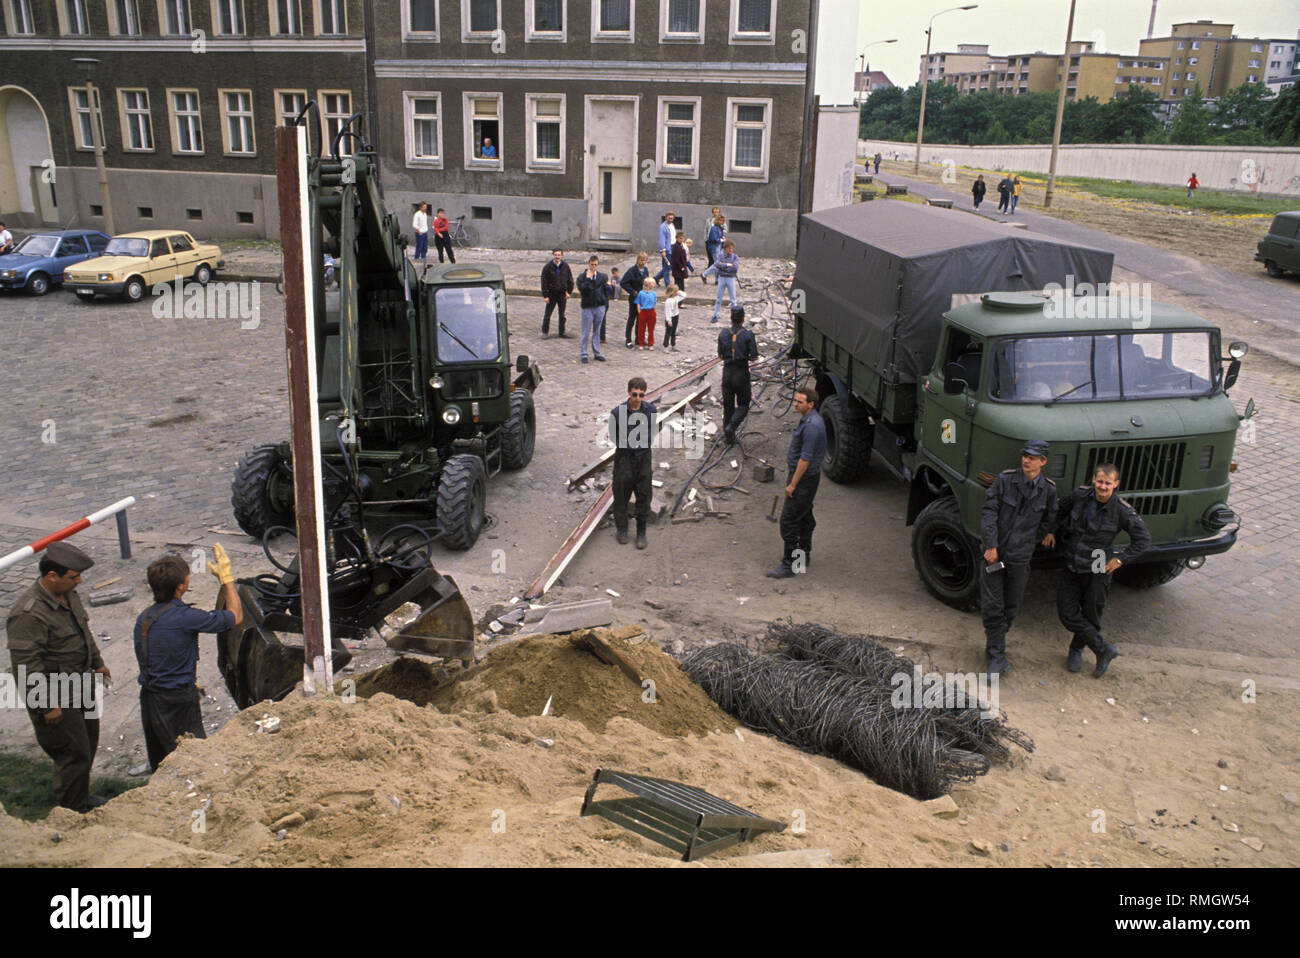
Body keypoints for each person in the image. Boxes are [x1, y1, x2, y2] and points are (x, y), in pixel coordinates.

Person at [5, 542, 111, 813]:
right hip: (56, 694)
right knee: (72, 753)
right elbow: (26, 666)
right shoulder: (28, 614)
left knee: (87, 744)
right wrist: (45, 706)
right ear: (52, 576)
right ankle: (71, 810)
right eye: (73, 576)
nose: (79, 581)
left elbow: (82, 632)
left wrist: (98, 663)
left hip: (80, 684)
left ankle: (81, 796)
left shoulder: (68, 594)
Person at [133, 547, 243, 772]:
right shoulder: (186, 618)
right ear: (181, 587)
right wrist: (227, 580)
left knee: (162, 761)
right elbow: (235, 617)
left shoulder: (143, 618)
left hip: (150, 698)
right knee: (194, 761)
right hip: (177, 700)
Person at [1055, 464, 1151, 678]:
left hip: (1099, 563)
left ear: (1115, 484)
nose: (1103, 487)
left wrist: (1120, 559)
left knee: (1091, 615)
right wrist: (1050, 531)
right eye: (1100, 481)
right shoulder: (1080, 496)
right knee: (1067, 613)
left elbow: (1143, 539)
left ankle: (1076, 650)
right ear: (1094, 480)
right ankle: (1103, 649)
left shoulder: (1122, 510)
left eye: (1108, 483)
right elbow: (1058, 511)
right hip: (1073, 560)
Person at [979, 440, 1058, 675]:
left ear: (1042, 462)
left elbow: (1051, 516)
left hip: (1021, 557)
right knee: (993, 607)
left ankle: (997, 649)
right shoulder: (1005, 480)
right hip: (995, 554)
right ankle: (995, 656)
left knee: (1011, 607)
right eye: (1025, 455)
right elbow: (988, 511)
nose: (1026, 460)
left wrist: (1049, 533)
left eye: (1032, 457)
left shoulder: (1049, 490)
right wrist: (991, 545)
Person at [767, 387, 826, 579]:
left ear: (810, 404)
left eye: (800, 402)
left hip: (803, 479)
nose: (795, 404)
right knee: (805, 519)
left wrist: (792, 485)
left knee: (789, 521)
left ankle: (790, 565)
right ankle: (802, 558)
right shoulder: (812, 421)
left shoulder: (811, 427)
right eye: (796, 401)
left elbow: (804, 460)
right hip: (807, 479)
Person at [609, 377, 657, 550]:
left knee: (644, 495)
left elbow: (652, 433)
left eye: (641, 395)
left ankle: (641, 532)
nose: (637, 398)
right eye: (635, 394)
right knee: (621, 495)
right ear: (629, 392)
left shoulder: (650, 410)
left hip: (643, 458)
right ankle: (622, 530)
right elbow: (613, 437)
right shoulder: (617, 413)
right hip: (624, 458)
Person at [718, 304, 758, 443]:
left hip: (727, 373)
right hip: (741, 373)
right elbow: (754, 356)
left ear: (731, 318)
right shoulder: (748, 334)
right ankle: (731, 427)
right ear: (743, 318)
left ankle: (728, 437)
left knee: (728, 406)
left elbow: (721, 355)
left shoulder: (723, 333)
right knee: (743, 405)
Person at [575, 255, 611, 364]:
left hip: (599, 306)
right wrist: (588, 279)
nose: (594, 266)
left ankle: (597, 352)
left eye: (596, 264)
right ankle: (584, 353)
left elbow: (607, 290)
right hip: (588, 307)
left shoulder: (602, 276)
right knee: (586, 331)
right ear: (589, 264)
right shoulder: (582, 277)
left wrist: (604, 301)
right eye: (592, 264)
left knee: (597, 331)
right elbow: (583, 290)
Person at [702, 239, 739, 324]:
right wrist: (727, 265)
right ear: (725, 248)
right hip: (722, 278)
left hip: (730, 279)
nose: (731, 250)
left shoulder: (735, 257)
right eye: (729, 248)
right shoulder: (720, 256)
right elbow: (717, 264)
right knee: (719, 298)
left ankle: (734, 317)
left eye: (732, 248)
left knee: (733, 299)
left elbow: (735, 268)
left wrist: (723, 267)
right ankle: (716, 315)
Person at [540, 248, 573, 338]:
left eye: (559, 255)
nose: (557, 256)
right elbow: (544, 282)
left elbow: (570, 280)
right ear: (553, 255)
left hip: (562, 294)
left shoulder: (565, 266)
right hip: (551, 294)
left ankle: (562, 332)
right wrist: (545, 296)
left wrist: (569, 292)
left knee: (562, 315)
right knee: (548, 314)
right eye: (556, 255)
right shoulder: (547, 267)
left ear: (561, 255)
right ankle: (545, 332)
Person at [621, 252, 651, 348]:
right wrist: (633, 292)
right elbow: (624, 283)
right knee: (632, 318)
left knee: (641, 319)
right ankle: (628, 340)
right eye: (641, 260)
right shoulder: (632, 271)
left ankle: (638, 338)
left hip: (643, 298)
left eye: (644, 260)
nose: (643, 262)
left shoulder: (646, 270)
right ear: (637, 260)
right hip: (634, 298)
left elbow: (647, 282)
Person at [635, 278, 658, 348]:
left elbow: (655, 303)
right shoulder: (641, 293)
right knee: (641, 329)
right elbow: (638, 303)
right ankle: (641, 343)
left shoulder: (653, 293)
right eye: (652, 283)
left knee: (651, 329)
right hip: (643, 311)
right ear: (648, 284)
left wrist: (654, 311)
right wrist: (639, 311)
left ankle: (651, 343)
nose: (654, 285)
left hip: (651, 311)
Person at [654, 211, 676, 285]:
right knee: (667, 267)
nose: (670, 218)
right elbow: (662, 239)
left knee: (671, 266)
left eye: (672, 216)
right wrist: (663, 250)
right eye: (669, 216)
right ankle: (668, 284)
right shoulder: (663, 227)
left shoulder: (672, 225)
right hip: (667, 249)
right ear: (666, 217)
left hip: (673, 247)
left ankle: (656, 278)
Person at [663, 283, 685, 352]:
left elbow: (684, 295)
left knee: (673, 332)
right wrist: (669, 320)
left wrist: (678, 291)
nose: (677, 293)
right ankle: (665, 345)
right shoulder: (669, 301)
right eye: (676, 291)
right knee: (668, 332)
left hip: (676, 316)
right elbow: (668, 312)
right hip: (671, 317)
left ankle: (673, 344)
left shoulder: (676, 298)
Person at [705, 214, 726, 279]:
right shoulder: (714, 228)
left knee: (719, 263)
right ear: (717, 220)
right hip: (714, 247)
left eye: (722, 221)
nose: (721, 222)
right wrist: (722, 240)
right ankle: (704, 274)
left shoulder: (720, 228)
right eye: (720, 220)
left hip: (719, 246)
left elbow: (719, 236)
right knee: (717, 264)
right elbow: (713, 238)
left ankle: (717, 279)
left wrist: (722, 237)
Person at [603, 267, 620, 344]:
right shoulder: (611, 278)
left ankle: (616, 297)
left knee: (617, 287)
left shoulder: (620, 278)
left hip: (618, 287)